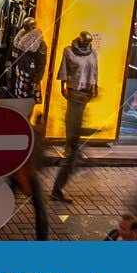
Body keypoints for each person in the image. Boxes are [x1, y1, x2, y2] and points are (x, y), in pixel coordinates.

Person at [53, 31, 99, 201]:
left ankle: (74, 153)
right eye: (85, 41)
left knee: (73, 146)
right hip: (74, 94)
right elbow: (63, 72)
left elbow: (95, 70)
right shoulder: (69, 51)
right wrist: (63, 88)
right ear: (79, 40)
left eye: (89, 41)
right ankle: (57, 189)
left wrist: (94, 86)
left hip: (85, 95)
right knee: (72, 147)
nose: (87, 44)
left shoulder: (93, 52)